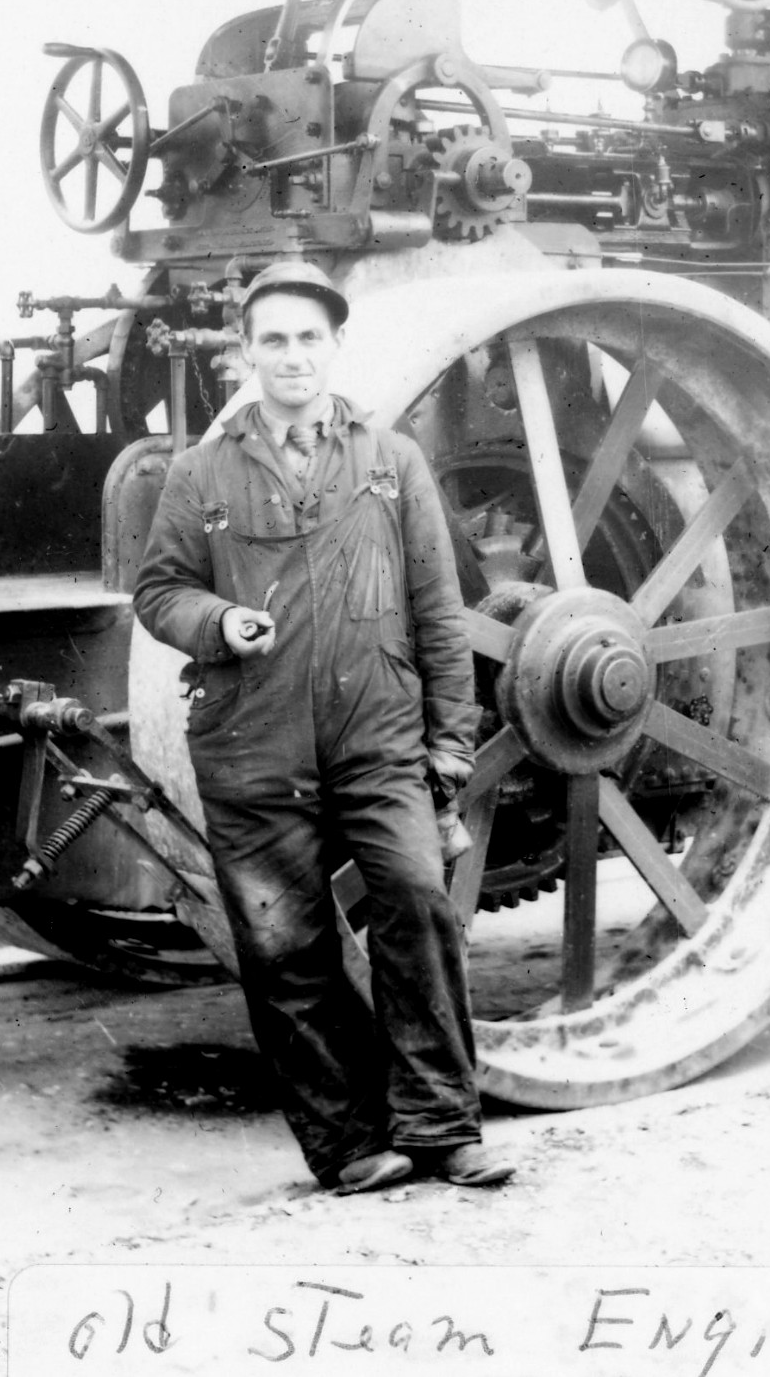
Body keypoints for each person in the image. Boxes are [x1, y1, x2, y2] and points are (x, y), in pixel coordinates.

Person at [131, 258, 514, 1194]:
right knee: (283, 944)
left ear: (336, 346)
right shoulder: (201, 472)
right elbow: (156, 590)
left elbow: (440, 613)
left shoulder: (391, 463)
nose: (293, 356)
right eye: (274, 340)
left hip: (377, 739)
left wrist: (451, 744)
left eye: (309, 337)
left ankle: (442, 1126)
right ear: (245, 354)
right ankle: (347, 1143)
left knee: (419, 902)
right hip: (252, 746)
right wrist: (215, 622)